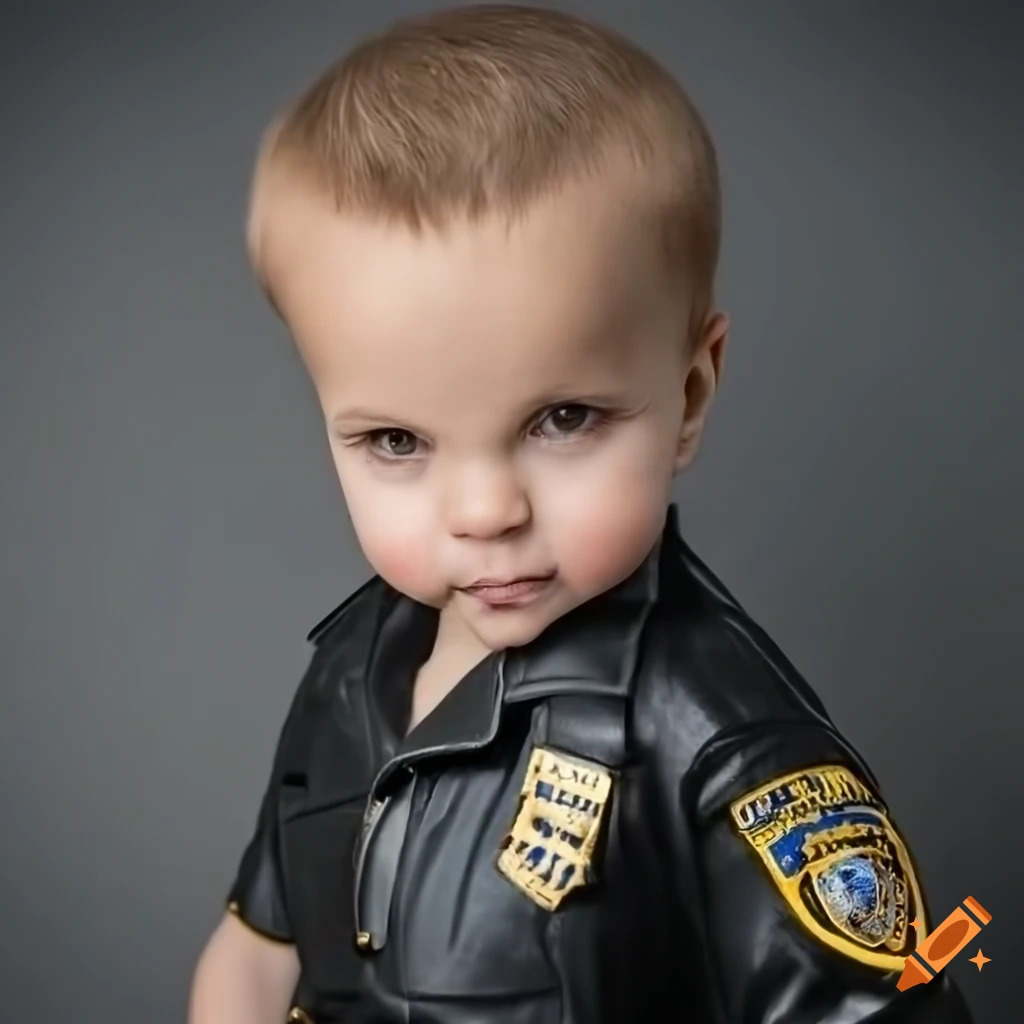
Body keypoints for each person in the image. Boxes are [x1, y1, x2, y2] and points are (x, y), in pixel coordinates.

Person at [187, 6, 974, 1023]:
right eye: (397, 441)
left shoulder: (720, 742)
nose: (483, 510)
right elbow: (252, 955)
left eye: (562, 418)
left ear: (687, 397)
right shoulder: (349, 671)